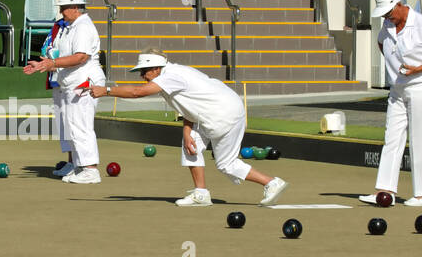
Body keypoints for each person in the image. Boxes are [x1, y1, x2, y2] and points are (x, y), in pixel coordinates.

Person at [88, 52, 287, 207]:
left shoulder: (169, 77)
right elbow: (190, 105)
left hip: (222, 115)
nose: (142, 76)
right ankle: (201, 193)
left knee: (226, 164)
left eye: (144, 71)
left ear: (157, 68)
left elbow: (137, 92)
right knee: (190, 142)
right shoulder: (177, 72)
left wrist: (105, 90)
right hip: (225, 109)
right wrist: (186, 131)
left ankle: (271, 183)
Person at [361, 0, 422, 208]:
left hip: (421, 87)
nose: (386, 16)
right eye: (383, 13)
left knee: (419, 139)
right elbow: (382, 43)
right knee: (392, 138)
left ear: (399, 4)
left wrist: (417, 69)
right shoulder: (387, 25)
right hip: (397, 89)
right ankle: (385, 191)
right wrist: (394, 68)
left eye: (388, 12)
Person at [24, 0, 104, 184]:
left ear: (76, 7)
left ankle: (91, 170)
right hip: (72, 82)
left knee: (81, 125)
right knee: (72, 125)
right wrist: (44, 64)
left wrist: (52, 63)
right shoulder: (70, 27)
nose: (61, 11)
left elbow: (81, 56)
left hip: (85, 82)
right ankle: (80, 167)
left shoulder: (84, 27)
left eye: (64, 7)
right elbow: (62, 55)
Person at [39, 11, 73, 176]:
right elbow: (46, 47)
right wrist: (49, 55)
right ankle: (71, 161)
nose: (62, 11)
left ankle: (80, 163)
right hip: (57, 78)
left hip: (73, 79)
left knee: (73, 121)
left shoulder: (80, 27)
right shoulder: (57, 26)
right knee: (63, 122)